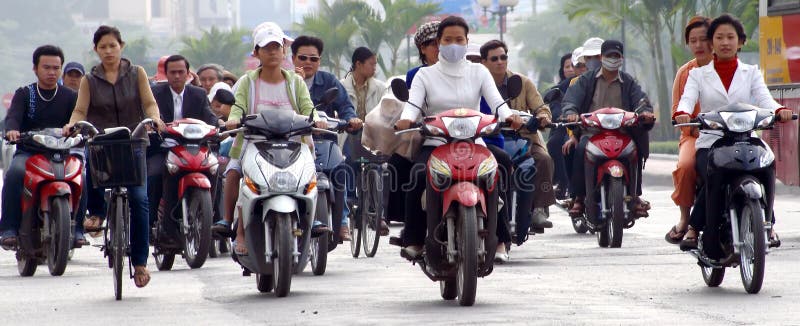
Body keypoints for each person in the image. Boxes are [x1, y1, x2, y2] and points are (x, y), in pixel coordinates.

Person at [394, 16, 525, 261]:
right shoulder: (425, 75)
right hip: (437, 143)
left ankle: (502, 239)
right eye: (447, 39)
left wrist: (510, 116)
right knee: (418, 175)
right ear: (439, 42)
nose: (453, 44)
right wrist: (406, 119)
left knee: (501, 167)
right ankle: (413, 238)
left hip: (475, 143)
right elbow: (412, 106)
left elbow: (498, 104)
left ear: (467, 42)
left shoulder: (479, 72)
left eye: (459, 39)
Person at [676, 14, 793, 252]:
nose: (725, 42)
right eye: (719, 37)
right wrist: (682, 112)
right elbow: (687, 99)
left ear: (740, 42)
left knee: (766, 164)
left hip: (746, 137)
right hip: (712, 140)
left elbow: (763, 98)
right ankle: (697, 228)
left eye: (731, 37)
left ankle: (768, 224)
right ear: (712, 42)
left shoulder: (751, 72)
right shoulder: (698, 75)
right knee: (713, 173)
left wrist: (779, 110)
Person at [62, 25, 164, 288]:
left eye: (113, 45)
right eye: (103, 47)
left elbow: (149, 103)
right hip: (103, 143)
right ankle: (96, 212)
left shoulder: (137, 73)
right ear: (96, 50)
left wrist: (154, 118)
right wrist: (72, 125)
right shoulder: (89, 79)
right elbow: (80, 109)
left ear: (122, 46)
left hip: (134, 143)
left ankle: (140, 262)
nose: (108, 51)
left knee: (140, 200)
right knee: (88, 168)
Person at [211, 22, 322, 255]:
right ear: (256, 52)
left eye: (277, 46)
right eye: (266, 47)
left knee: (313, 175)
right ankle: (232, 224)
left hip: (293, 144)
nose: (272, 51)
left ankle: (313, 218)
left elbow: (308, 108)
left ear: (284, 51)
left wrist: (318, 120)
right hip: (253, 143)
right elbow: (238, 107)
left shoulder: (295, 82)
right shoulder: (246, 82)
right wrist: (233, 119)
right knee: (235, 173)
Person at [561, 40, 654, 218]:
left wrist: (645, 113)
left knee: (636, 150)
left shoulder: (628, 81)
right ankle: (579, 197)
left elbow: (641, 101)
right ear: (601, 58)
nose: (612, 59)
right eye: (609, 56)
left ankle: (635, 196)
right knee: (580, 149)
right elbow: (571, 101)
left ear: (622, 59)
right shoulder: (586, 80)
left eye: (616, 56)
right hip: (592, 133)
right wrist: (571, 113)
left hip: (622, 133)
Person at [1, 45, 81, 249]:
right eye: (46, 67)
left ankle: (78, 229)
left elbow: (78, 120)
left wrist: (76, 129)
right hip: (29, 152)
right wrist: (12, 131)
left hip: (61, 153)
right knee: (14, 173)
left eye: (56, 68)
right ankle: (9, 228)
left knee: (82, 175)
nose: (52, 72)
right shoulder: (24, 94)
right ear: (35, 68)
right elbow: (13, 118)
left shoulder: (70, 96)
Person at [291, 35, 363, 241]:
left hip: (324, 142)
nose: (307, 63)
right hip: (291, 144)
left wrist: (351, 119)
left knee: (340, 168)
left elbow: (345, 106)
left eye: (313, 59)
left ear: (319, 61)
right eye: (303, 58)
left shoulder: (329, 81)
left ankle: (341, 221)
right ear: (293, 58)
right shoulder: (285, 80)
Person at [480, 40, 555, 235]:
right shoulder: (477, 83)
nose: (500, 62)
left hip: (523, 138)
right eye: (494, 58)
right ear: (484, 62)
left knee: (543, 159)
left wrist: (542, 118)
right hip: (488, 139)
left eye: (503, 57)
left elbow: (541, 108)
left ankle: (539, 208)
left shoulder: (523, 82)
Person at [148, 54, 219, 238]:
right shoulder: (155, 93)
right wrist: (153, 125)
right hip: (163, 148)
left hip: (194, 148)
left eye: (181, 72)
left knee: (214, 168)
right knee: (155, 174)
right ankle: (151, 224)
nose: (177, 76)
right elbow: (148, 115)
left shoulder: (199, 93)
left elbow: (209, 115)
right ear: (166, 74)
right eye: (173, 72)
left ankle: (214, 218)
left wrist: (219, 124)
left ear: (188, 74)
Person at [664, 16, 712, 244]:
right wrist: (689, 123)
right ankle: (685, 219)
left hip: (731, 134)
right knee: (685, 166)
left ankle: (766, 224)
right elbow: (678, 110)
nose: (699, 45)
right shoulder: (687, 73)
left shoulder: (735, 69)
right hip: (695, 135)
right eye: (693, 40)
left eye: (704, 39)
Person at [340, 47, 389, 234]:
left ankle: (378, 214)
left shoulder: (381, 88)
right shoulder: (340, 86)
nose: (375, 68)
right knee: (348, 162)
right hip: (349, 134)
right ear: (358, 64)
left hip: (372, 135)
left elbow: (386, 112)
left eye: (375, 64)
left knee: (376, 167)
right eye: (372, 64)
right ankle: (351, 200)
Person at [547, 52, 577, 200]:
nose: (571, 69)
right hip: (564, 125)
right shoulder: (561, 87)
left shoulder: (587, 82)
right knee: (555, 143)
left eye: (575, 65)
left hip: (585, 124)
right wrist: (564, 115)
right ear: (562, 70)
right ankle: (563, 181)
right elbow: (554, 104)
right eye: (567, 66)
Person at [406, 20, 440, 88]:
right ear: (423, 49)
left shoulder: (455, 71)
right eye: (434, 44)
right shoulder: (414, 75)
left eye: (442, 43)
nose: (439, 48)